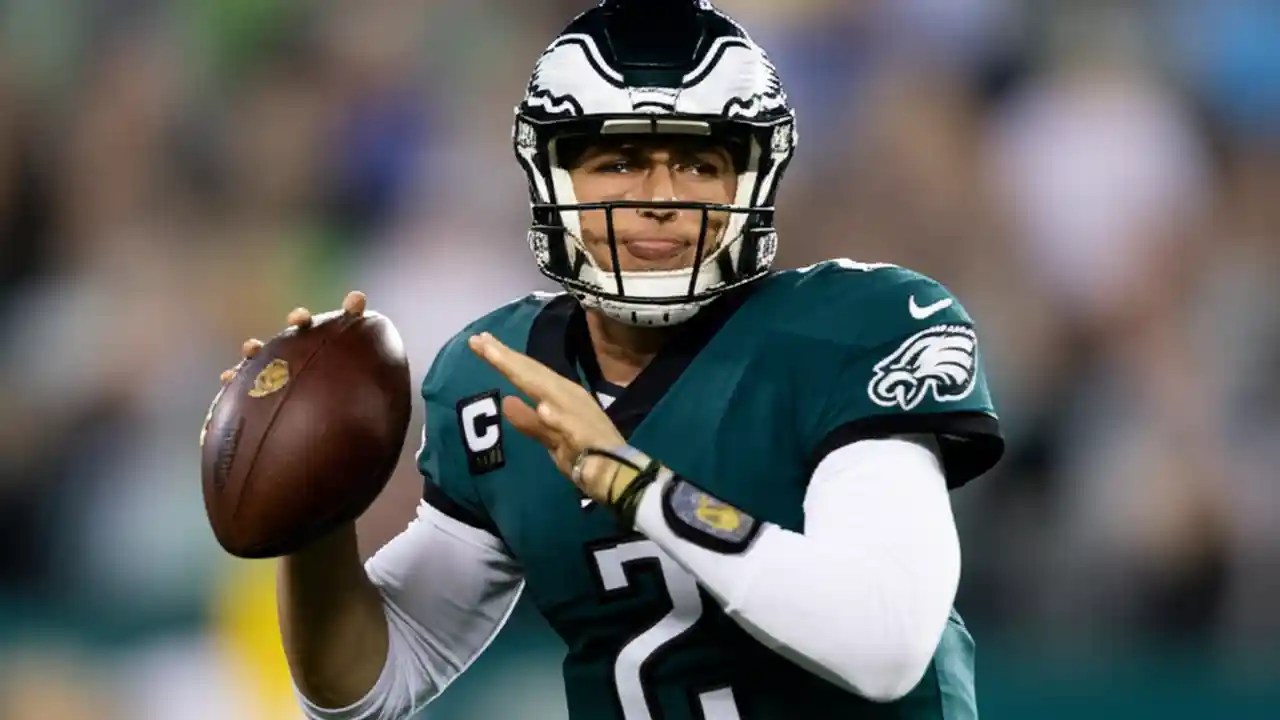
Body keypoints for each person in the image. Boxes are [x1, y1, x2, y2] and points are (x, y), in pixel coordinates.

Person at [224, 1, 1004, 718]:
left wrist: (634, 482)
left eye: (699, 164)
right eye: (621, 161)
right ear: (552, 176)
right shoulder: (498, 375)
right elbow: (373, 683)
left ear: (752, 181)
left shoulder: (856, 330)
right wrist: (313, 507)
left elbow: (885, 646)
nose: (660, 194)